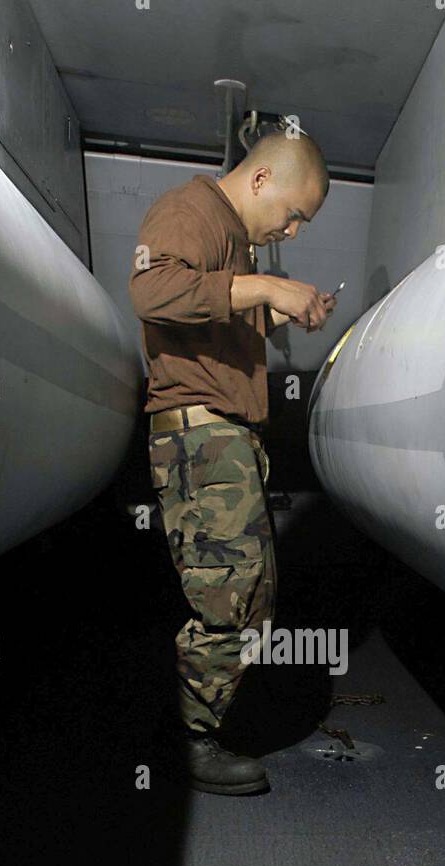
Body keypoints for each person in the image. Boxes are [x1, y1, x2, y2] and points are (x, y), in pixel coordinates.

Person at [129, 129, 335, 794]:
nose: (293, 230)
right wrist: (266, 286)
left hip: (224, 440)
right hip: (201, 438)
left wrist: (274, 313)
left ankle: (197, 721)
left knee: (250, 596)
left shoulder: (233, 240)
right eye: (295, 213)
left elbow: (211, 323)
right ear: (259, 181)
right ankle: (189, 741)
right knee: (231, 597)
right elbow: (152, 291)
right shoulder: (190, 213)